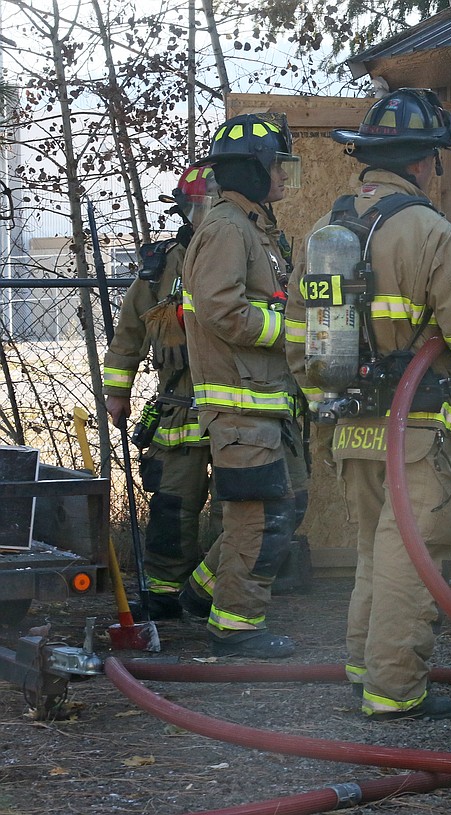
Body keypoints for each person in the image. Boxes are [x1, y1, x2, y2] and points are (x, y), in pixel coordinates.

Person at [286, 89, 451, 719]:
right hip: (420, 430)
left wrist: (325, 404)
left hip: (354, 426)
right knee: (411, 557)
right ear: (422, 162)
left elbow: (300, 338)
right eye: (436, 160)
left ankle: (365, 667)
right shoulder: (428, 231)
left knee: (373, 551)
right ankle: (395, 690)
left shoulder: (327, 232)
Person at [175, 113, 309, 658]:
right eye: (277, 166)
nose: (282, 177)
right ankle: (235, 628)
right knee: (260, 517)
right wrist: (293, 331)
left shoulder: (253, 227)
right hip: (240, 406)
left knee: (288, 505)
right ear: (254, 169)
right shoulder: (227, 229)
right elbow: (221, 310)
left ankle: (201, 592)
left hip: (266, 403)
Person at [102, 165, 218, 620]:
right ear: (184, 210)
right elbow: (129, 333)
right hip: (178, 407)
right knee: (172, 506)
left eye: (211, 205)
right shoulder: (161, 267)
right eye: (197, 206)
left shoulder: (254, 252)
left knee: (239, 509)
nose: (203, 215)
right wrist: (118, 392)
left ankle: (216, 593)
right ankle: (165, 594)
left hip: (241, 403)